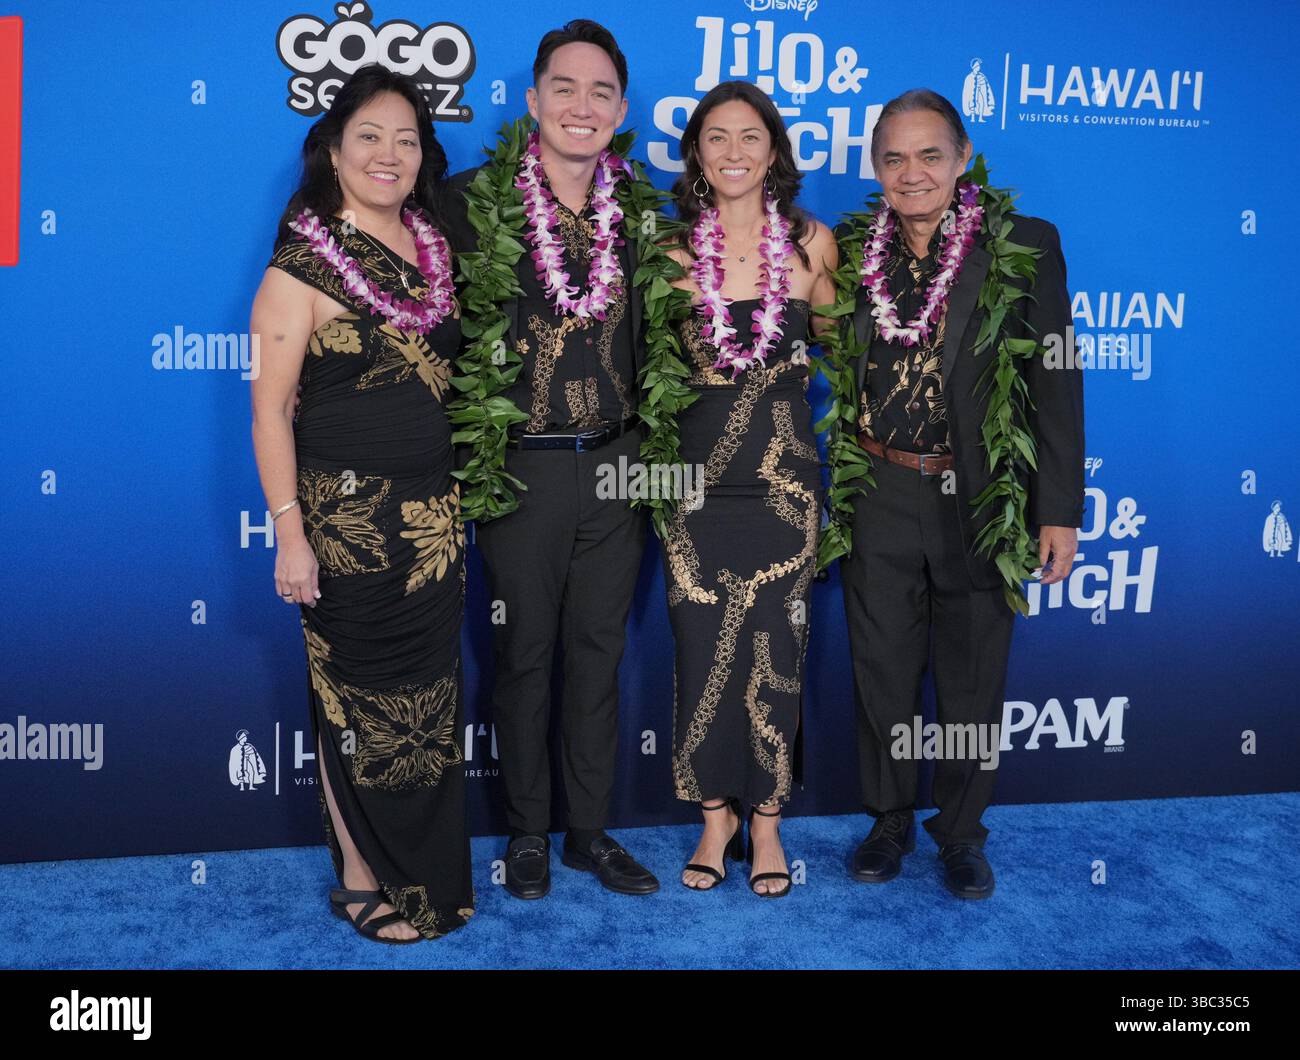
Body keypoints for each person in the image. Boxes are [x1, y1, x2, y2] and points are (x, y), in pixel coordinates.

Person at [833, 89, 1084, 899]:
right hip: (878, 485)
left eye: (930, 154)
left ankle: (962, 833)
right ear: (877, 167)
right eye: (894, 158)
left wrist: (1058, 510)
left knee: (972, 676)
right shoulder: (852, 247)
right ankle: (889, 821)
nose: (912, 173)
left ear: (964, 156)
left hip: (979, 494)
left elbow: (1057, 382)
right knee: (882, 669)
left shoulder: (1024, 244)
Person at [250, 64, 474, 941]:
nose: (389, 154)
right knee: (355, 698)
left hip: (433, 523)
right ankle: (357, 876)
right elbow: (270, 410)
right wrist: (289, 535)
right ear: (334, 153)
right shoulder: (299, 268)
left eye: (406, 139)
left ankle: (424, 873)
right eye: (370, 137)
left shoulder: (437, 251)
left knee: (426, 704)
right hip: (343, 527)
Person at [440, 20, 660, 899]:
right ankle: (528, 831)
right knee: (524, 655)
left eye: (601, 92)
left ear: (621, 110)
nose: (582, 105)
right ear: (533, 100)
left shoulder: (645, 212)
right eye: (564, 87)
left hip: (618, 464)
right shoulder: (466, 203)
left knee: (598, 655)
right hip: (518, 469)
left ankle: (589, 833)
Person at [661, 81, 838, 897]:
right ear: (697, 152)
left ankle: (766, 822)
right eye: (717, 137)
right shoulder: (668, 255)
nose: (734, 152)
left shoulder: (813, 245)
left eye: (750, 137)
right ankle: (714, 819)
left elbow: (841, 353)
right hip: (693, 484)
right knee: (701, 647)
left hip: (784, 482)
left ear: (774, 152)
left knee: (776, 649)